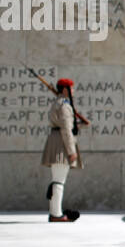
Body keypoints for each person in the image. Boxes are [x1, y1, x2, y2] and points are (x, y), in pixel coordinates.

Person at [40, 77, 85, 222]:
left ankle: (55, 211)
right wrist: (72, 151)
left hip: (56, 140)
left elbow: (66, 125)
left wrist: (78, 124)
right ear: (65, 90)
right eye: (71, 89)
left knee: (56, 180)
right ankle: (56, 214)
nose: (73, 91)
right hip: (61, 143)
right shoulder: (65, 105)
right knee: (59, 181)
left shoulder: (58, 103)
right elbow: (66, 129)